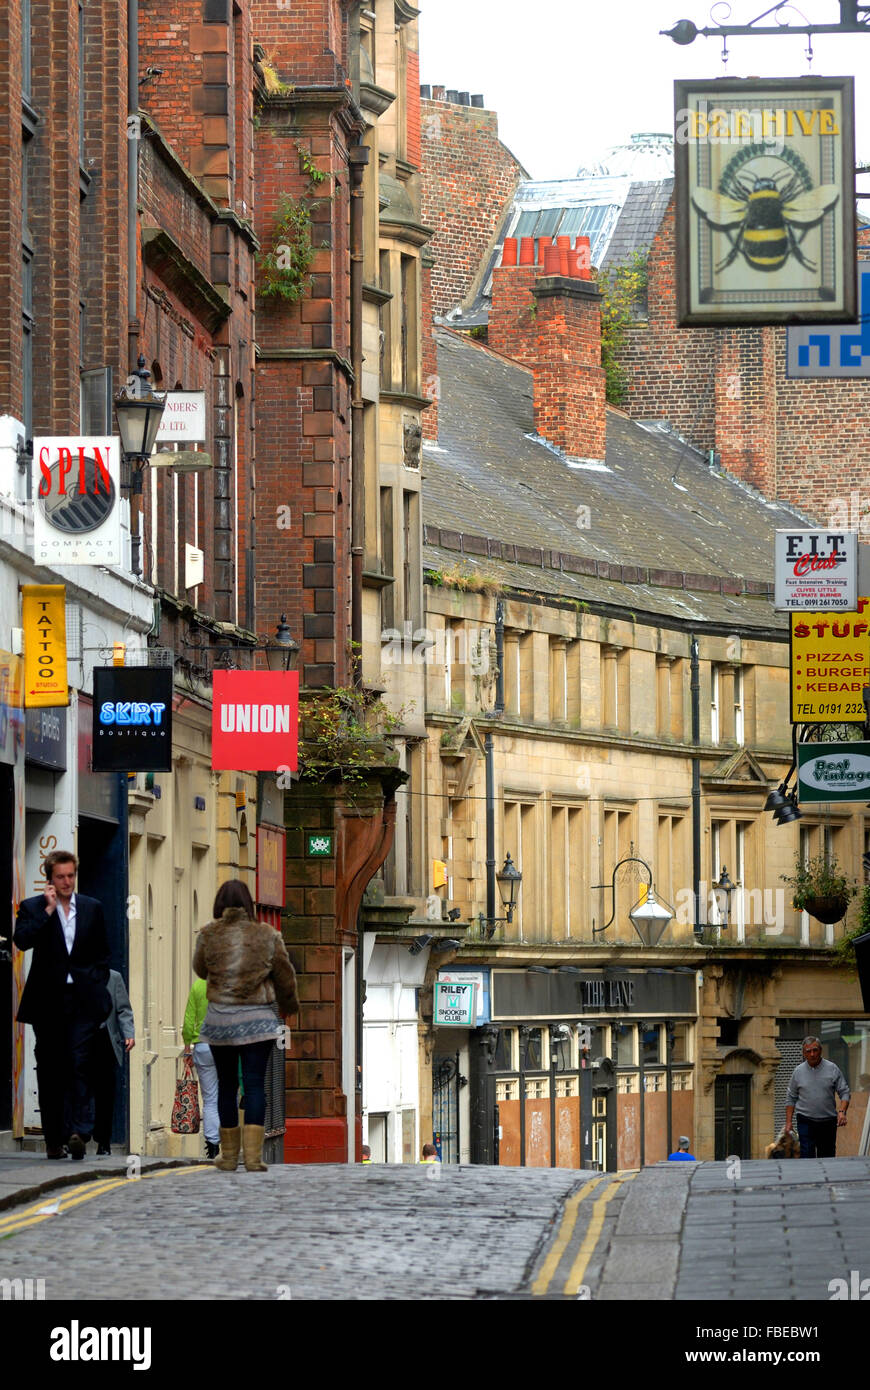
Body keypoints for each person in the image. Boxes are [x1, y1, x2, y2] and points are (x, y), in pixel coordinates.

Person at [193, 880, 299, 1173]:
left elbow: (200, 969)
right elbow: (285, 974)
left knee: (226, 1087)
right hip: (258, 1022)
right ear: (249, 903)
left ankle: (228, 1157)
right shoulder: (267, 935)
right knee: (254, 1087)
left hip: (220, 1022)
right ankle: (253, 1158)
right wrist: (289, 1005)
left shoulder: (208, 934)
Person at [13, 850, 110, 1160]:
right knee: (53, 1068)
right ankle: (55, 1138)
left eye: (71, 876)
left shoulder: (93, 908)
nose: (67, 882)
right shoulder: (32, 908)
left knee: (81, 1062)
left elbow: (103, 954)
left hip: (82, 999)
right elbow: (22, 941)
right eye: (61, 877)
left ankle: (79, 1131)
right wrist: (48, 910)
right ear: (49, 879)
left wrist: (95, 983)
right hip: (48, 1002)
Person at [784, 1035, 850, 1158]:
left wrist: (842, 1112)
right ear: (804, 1054)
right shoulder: (798, 1072)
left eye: (815, 1050)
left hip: (828, 1122)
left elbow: (844, 1092)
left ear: (821, 1050)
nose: (812, 1054)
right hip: (805, 1121)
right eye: (808, 1051)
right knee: (807, 1157)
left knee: (827, 1157)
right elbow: (791, 1097)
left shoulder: (832, 1068)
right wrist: (788, 1122)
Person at [92, 969, 135, 1155]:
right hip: (81, 1037)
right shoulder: (76, 973)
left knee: (105, 1094)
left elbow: (124, 1009)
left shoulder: (114, 977)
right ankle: (78, 1135)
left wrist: (129, 1034)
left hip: (105, 1041)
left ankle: (103, 1141)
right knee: (79, 1089)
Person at [183, 976, 220, 1159]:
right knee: (227, 1095)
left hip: (203, 1046)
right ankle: (228, 1139)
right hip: (226, 1045)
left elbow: (189, 1019)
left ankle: (212, 1144)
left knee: (210, 1099)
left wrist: (187, 1046)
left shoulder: (198, 985)